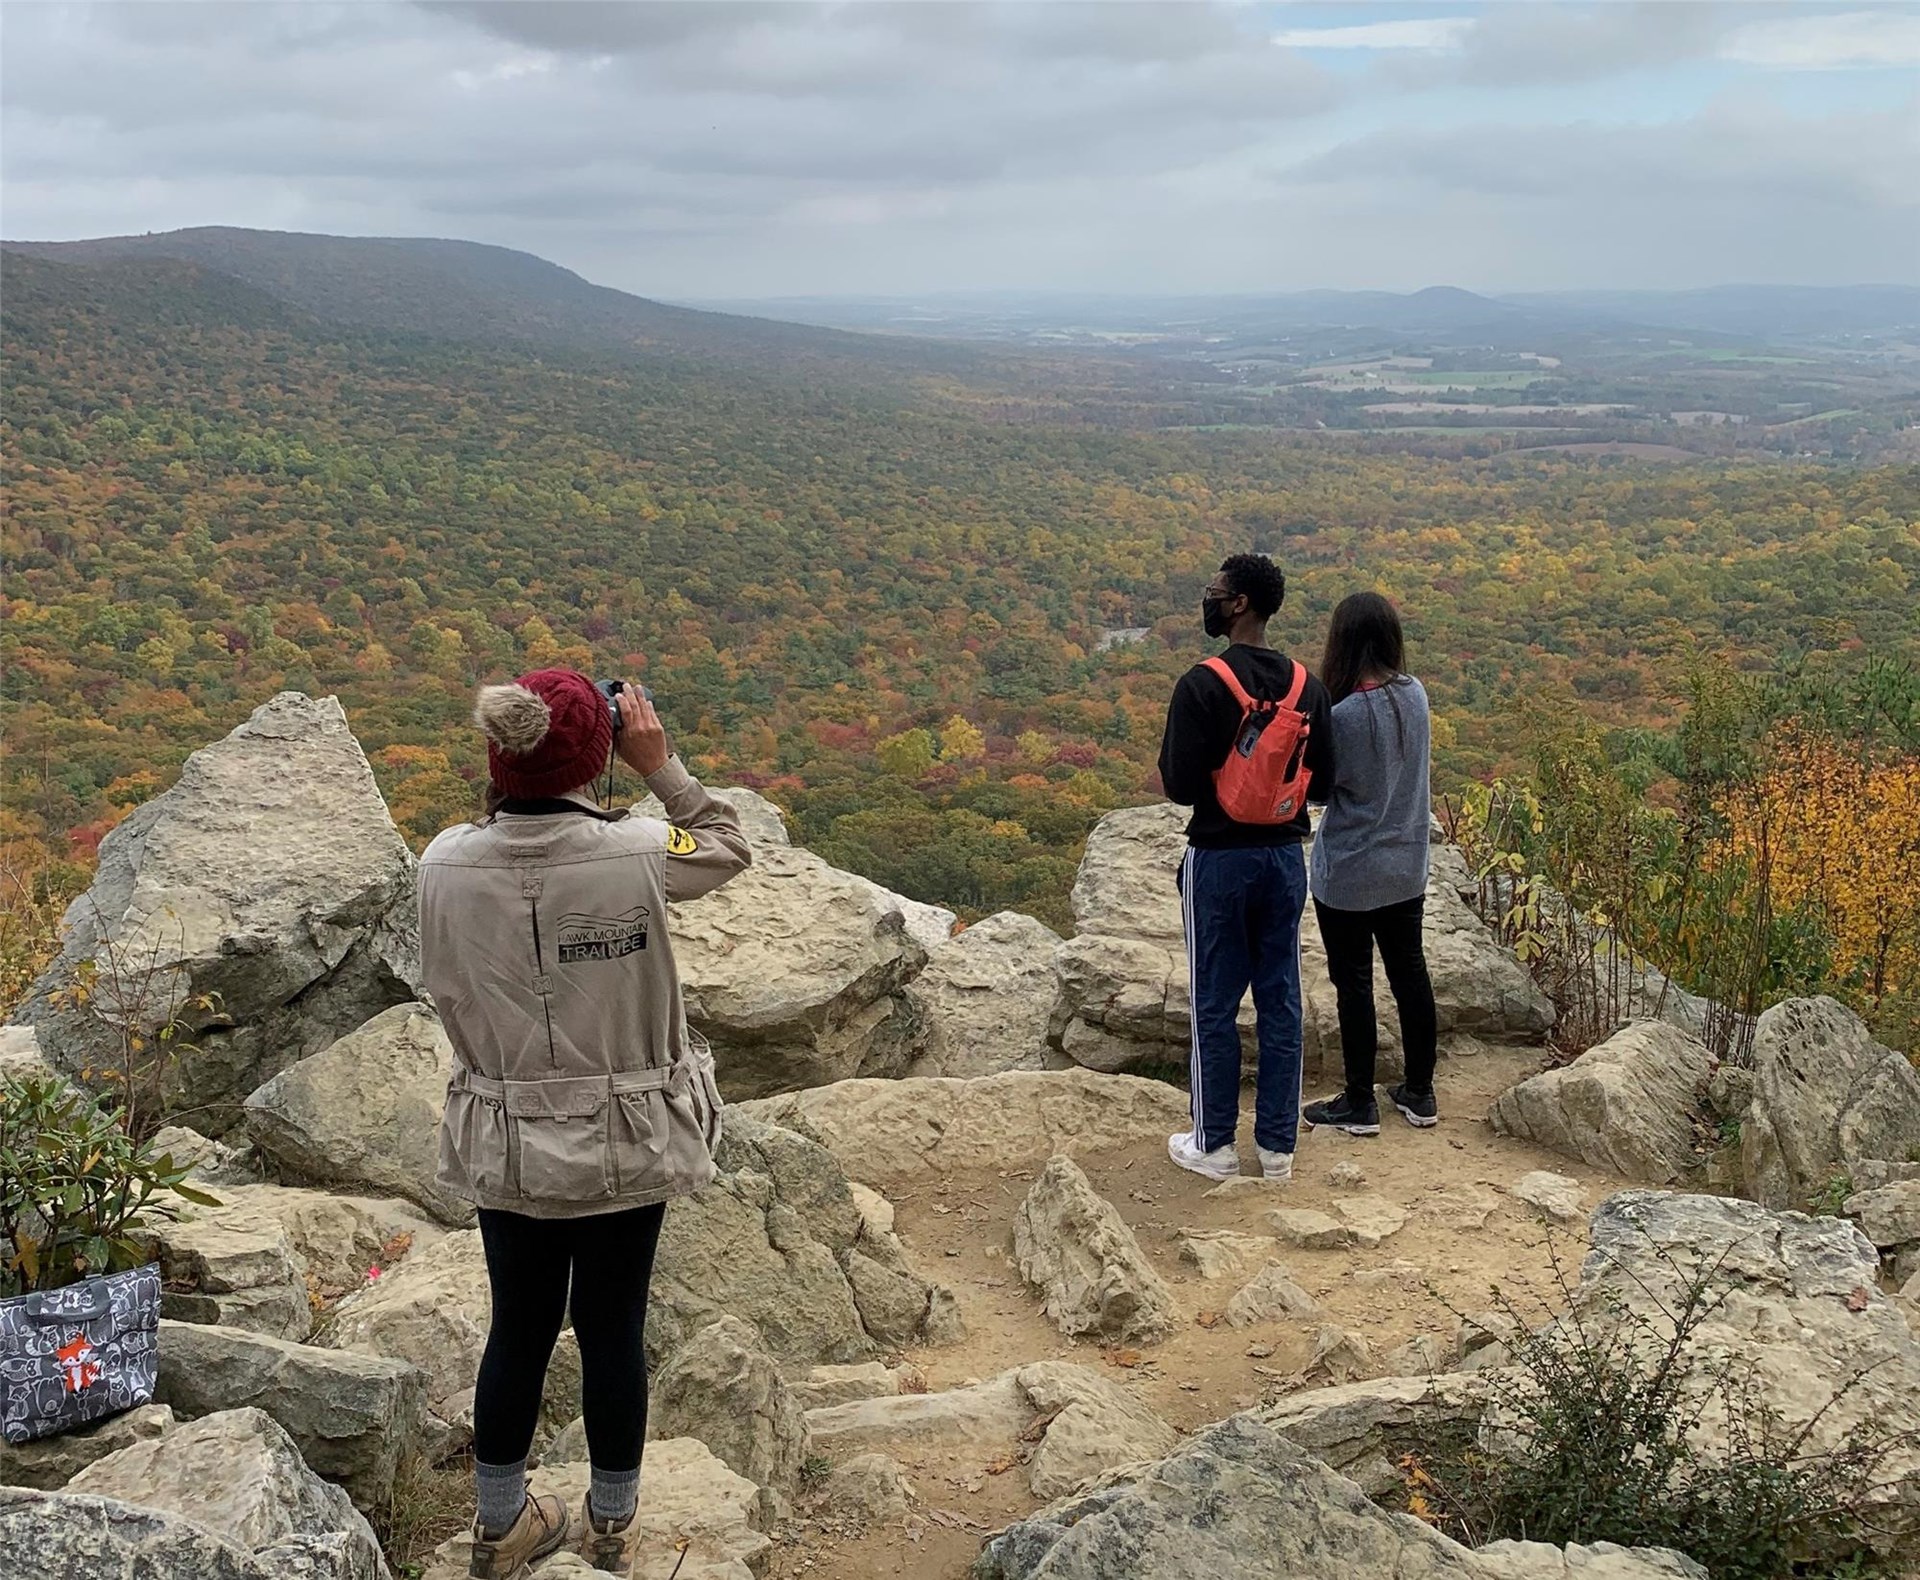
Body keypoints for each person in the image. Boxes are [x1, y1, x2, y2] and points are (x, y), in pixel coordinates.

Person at [419, 669, 751, 1578]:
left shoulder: (441, 860)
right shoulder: (643, 849)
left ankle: (499, 1524)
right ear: (596, 755)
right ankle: (611, 1528)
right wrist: (661, 764)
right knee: (612, 1328)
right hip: (628, 1133)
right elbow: (727, 844)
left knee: (516, 1328)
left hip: (506, 1133)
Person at [1158, 553, 1334, 1183]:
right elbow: (1326, 781)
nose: (1208, 598)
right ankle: (1278, 1149)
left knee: (1215, 1000)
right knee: (1280, 998)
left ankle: (1214, 1143)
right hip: (1286, 856)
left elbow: (1179, 785)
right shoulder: (1306, 686)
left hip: (1218, 858)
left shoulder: (1202, 683)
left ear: (1237, 604)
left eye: (1215, 590)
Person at [1302, 592, 1439, 1136]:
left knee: (1353, 982)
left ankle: (1360, 1100)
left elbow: (1315, 793)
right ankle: (1420, 1092)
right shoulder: (1417, 694)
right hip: (1407, 864)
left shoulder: (1343, 716)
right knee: (1410, 972)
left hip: (1350, 873)